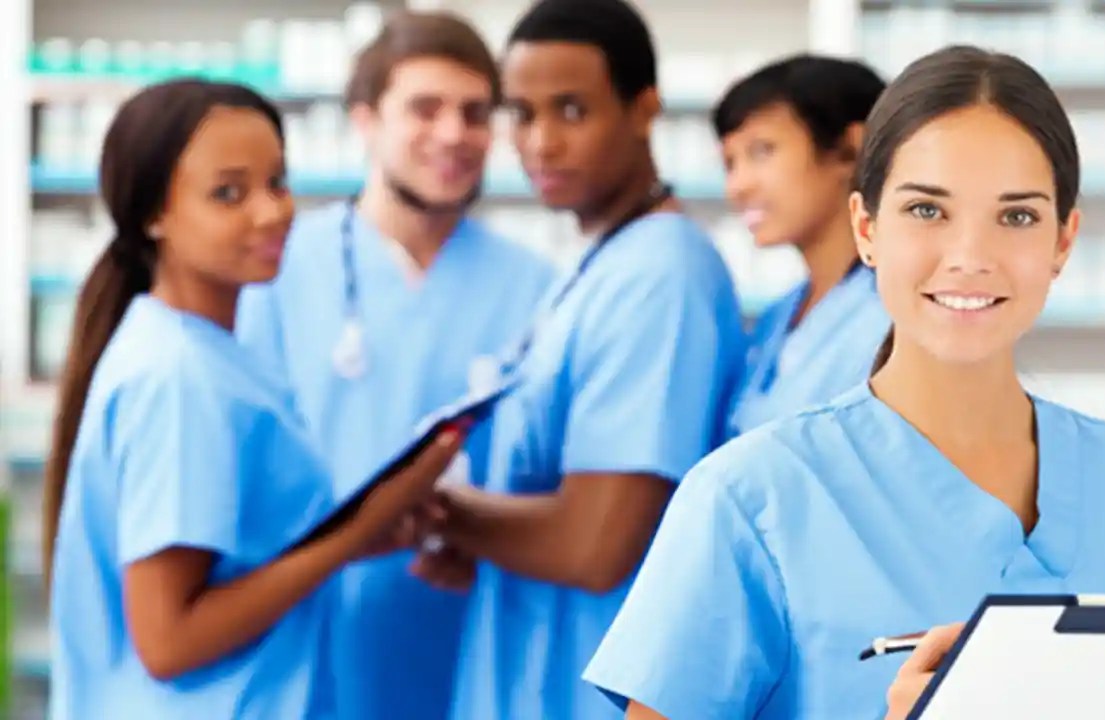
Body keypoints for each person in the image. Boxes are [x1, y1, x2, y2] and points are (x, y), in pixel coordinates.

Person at [582, 45, 1105, 719]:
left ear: (1063, 241)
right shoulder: (746, 502)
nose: (970, 256)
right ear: (866, 228)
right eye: (926, 210)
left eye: (1016, 216)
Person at [42, 79, 461, 720]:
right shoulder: (177, 377)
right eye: (228, 193)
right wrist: (357, 527)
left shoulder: (212, 355)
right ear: (154, 215)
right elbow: (170, 642)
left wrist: (372, 533)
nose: (271, 212)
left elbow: (237, 561)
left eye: (277, 182)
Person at [410, 1, 746, 718]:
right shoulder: (601, 261)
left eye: (571, 110)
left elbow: (596, 546)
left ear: (644, 109)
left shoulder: (661, 275)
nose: (540, 143)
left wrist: (432, 509)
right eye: (522, 114)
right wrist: (482, 537)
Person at [235, 13, 555, 720]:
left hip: (471, 640)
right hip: (309, 641)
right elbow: (244, 473)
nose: (453, 133)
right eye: (425, 108)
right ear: (365, 120)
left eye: (475, 113)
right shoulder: (279, 271)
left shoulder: (537, 288)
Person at [714, 54, 890, 437]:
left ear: (851, 148)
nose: (738, 186)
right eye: (730, 163)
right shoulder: (778, 319)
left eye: (762, 151)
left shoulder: (896, 313)